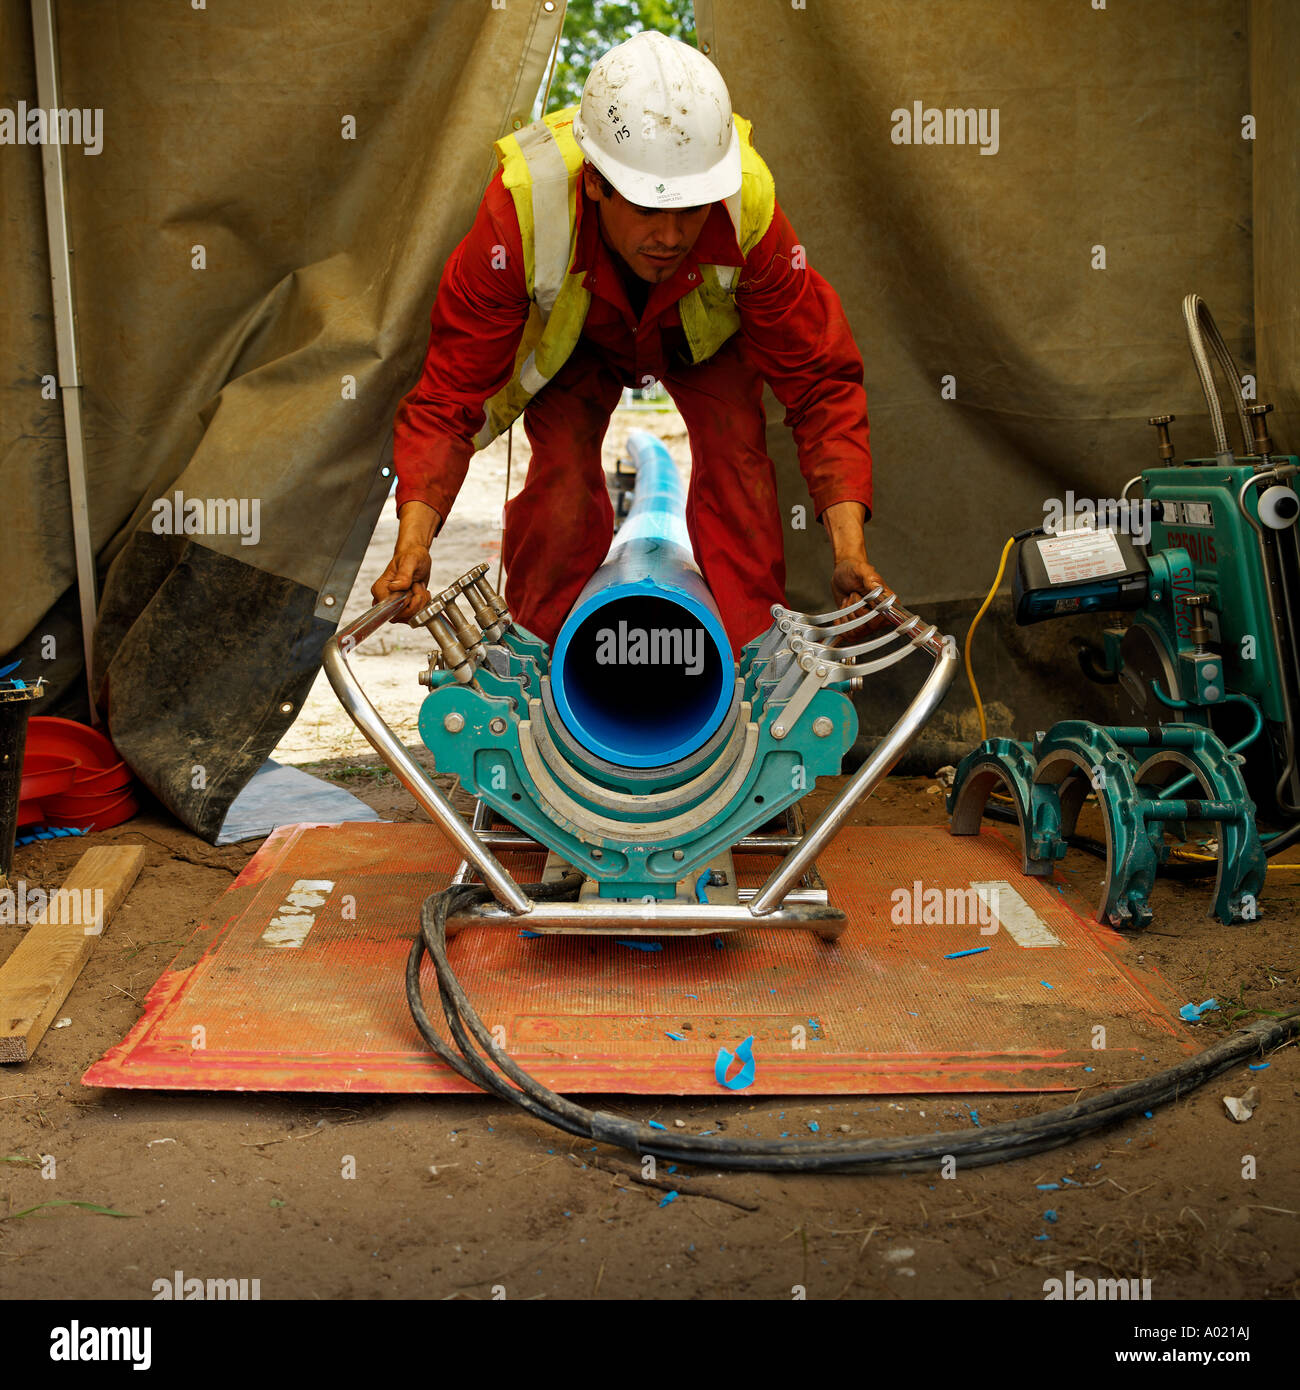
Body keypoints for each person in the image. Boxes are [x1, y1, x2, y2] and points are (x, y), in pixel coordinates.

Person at [373, 30, 887, 652]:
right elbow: (449, 396)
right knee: (561, 483)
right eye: (647, 208)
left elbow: (819, 382)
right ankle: (537, 664)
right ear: (594, 182)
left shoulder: (749, 208)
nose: (670, 237)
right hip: (580, 341)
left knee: (739, 463)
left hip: (704, 338)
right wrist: (414, 546)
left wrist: (848, 549)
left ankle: (756, 670)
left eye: (691, 209)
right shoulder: (522, 213)